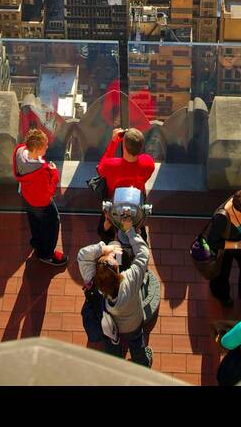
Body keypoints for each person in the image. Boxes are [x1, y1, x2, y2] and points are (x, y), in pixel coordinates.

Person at [77, 227, 154, 367]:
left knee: (112, 345)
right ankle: (142, 363)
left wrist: (103, 249)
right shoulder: (130, 281)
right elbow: (143, 254)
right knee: (136, 343)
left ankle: (117, 364)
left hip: (109, 325)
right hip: (132, 324)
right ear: (117, 271)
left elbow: (82, 255)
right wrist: (130, 231)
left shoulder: (91, 280)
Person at [13, 127, 66, 265]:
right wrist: (54, 173)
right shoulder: (41, 171)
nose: (47, 147)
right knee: (52, 224)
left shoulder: (20, 151)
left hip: (28, 197)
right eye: (44, 146)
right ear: (36, 149)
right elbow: (48, 193)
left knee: (35, 223)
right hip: (42, 203)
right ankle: (46, 254)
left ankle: (37, 243)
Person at [96, 127, 155, 241]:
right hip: (136, 208)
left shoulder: (110, 165)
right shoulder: (148, 163)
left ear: (123, 146)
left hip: (115, 206)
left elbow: (101, 167)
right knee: (140, 229)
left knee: (103, 229)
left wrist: (114, 142)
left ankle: (108, 239)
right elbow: (142, 160)